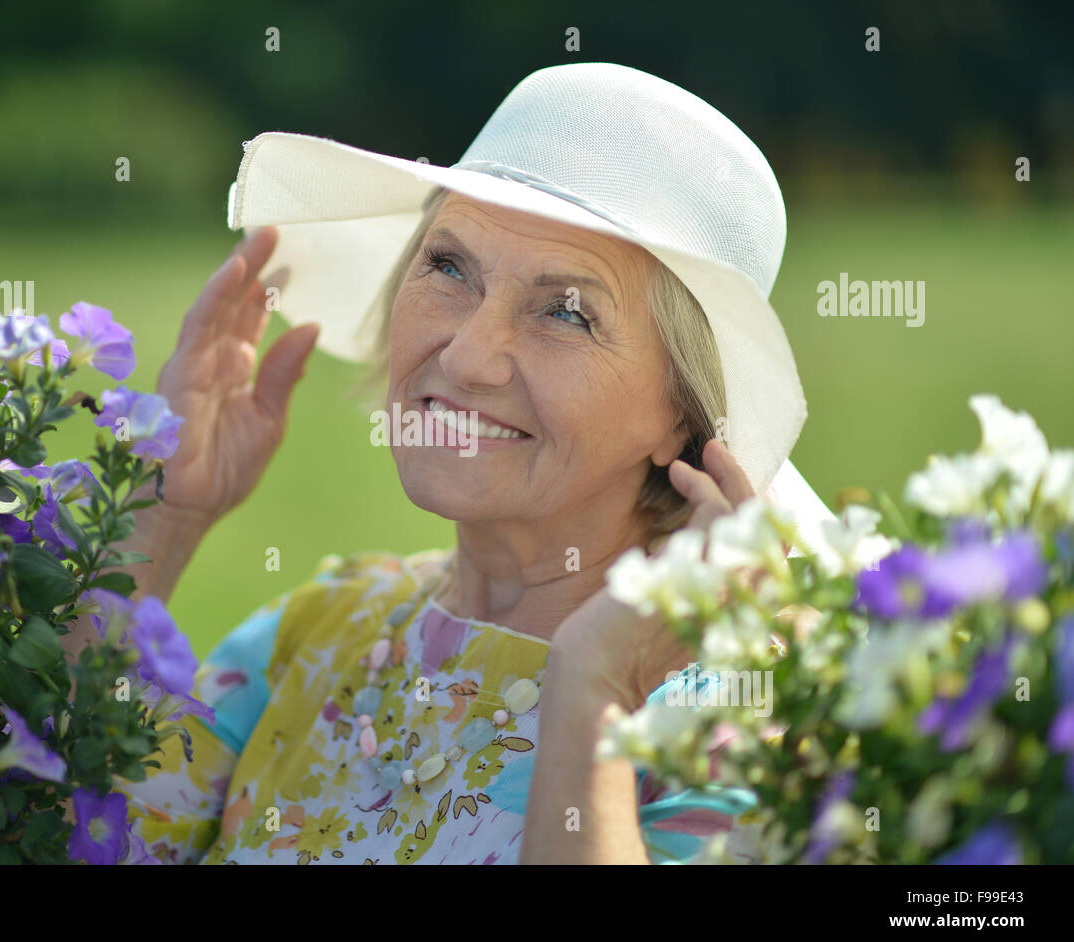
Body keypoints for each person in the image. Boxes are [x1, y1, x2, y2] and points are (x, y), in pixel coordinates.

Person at [64, 63, 835, 864]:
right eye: (449, 267)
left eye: (565, 312)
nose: (468, 357)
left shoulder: (747, 716)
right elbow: (70, 841)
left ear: (681, 414)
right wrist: (163, 514)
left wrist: (594, 688)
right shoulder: (319, 627)